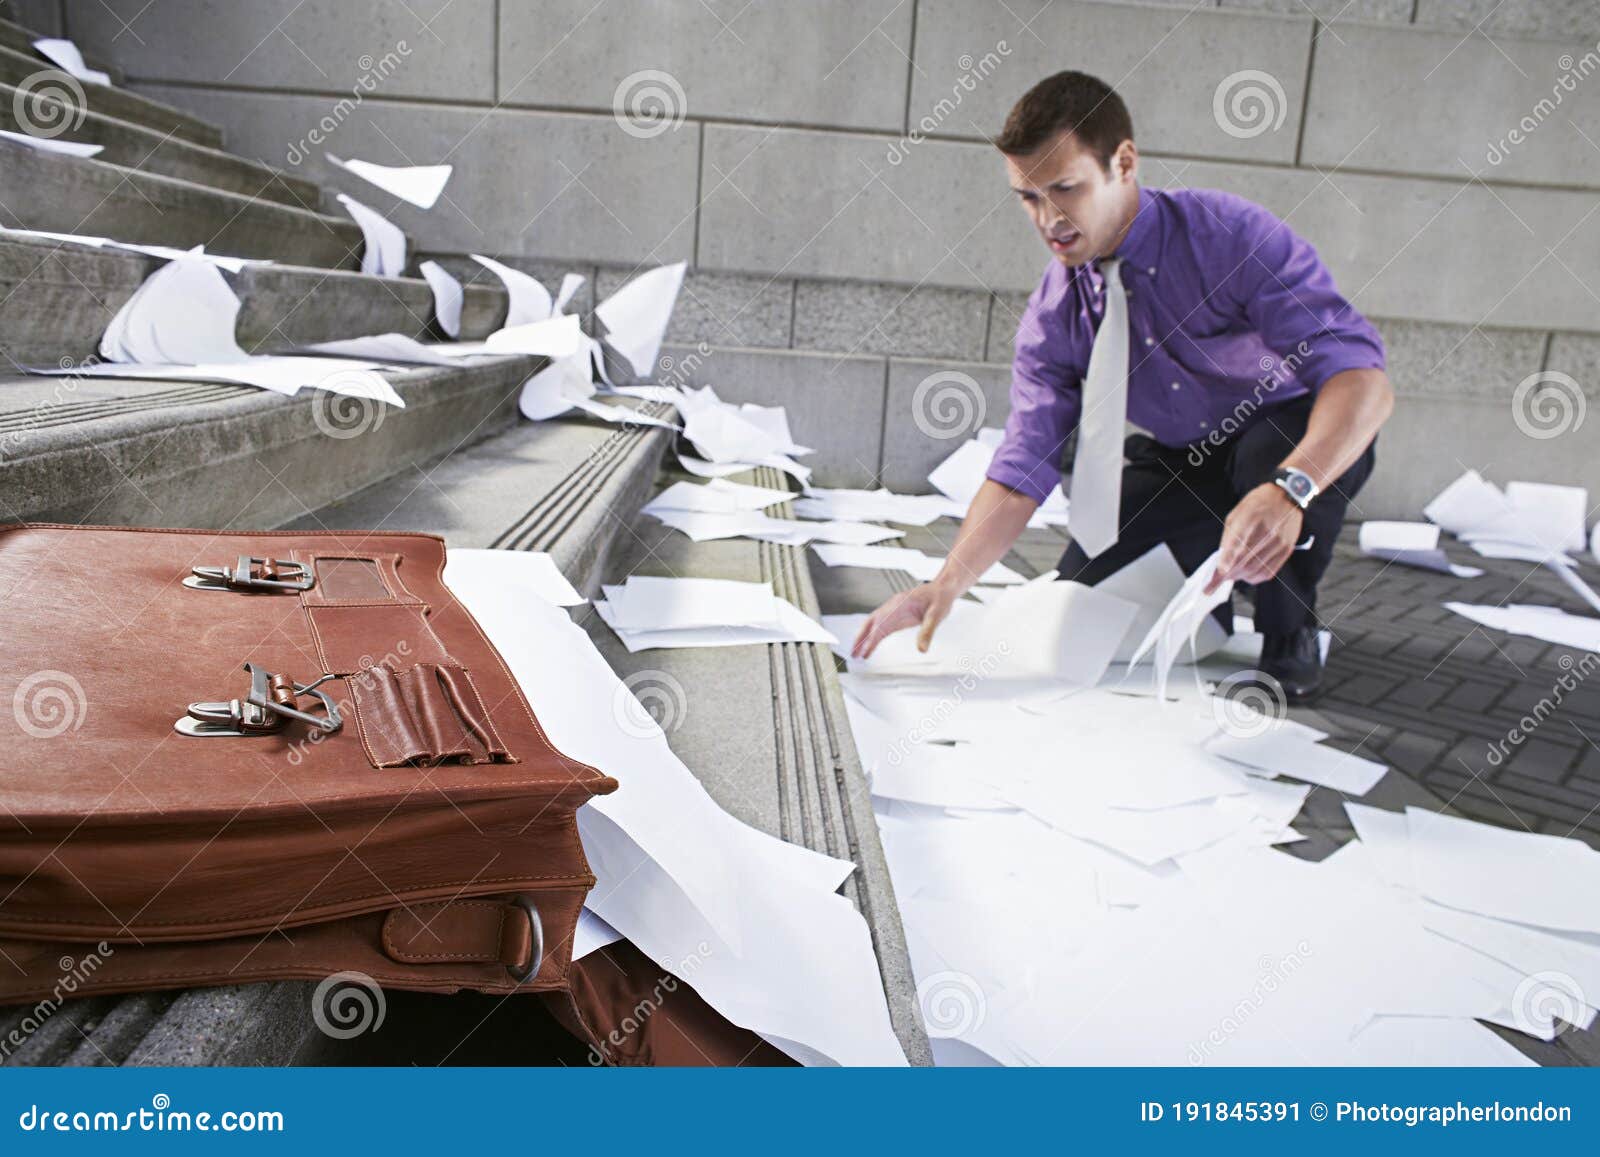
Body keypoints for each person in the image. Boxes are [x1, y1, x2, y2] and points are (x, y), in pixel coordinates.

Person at [851, 70, 1393, 702]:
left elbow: (1364, 381)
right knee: (1086, 588)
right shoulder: (1057, 313)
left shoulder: (1229, 238)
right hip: (1183, 456)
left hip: (1290, 439)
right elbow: (1025, 464)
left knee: (1263, 465)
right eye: (1028, 197)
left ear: (1124, 163)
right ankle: (1209, 605)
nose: (1048, 219)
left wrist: (1291, 487)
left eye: (1065, 189)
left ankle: (1289, 629)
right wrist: (948, 582)